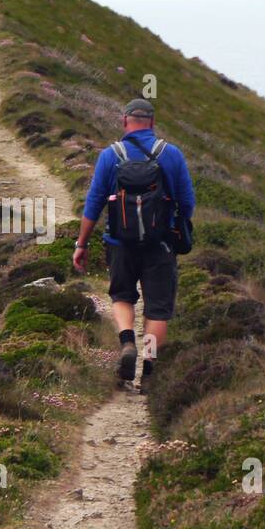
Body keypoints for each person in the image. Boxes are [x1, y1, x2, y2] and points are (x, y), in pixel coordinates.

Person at [72, 98, 195, 388]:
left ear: (124, 121)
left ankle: (128, 343)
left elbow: (94, 204)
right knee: (157, 310)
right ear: (152, 122)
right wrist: (175, 229)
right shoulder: (172, 154)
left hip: (119, 243)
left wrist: (82, 244)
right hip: (161, 245)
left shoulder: (109, 155)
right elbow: (187, 202)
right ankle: (149, 370)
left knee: (123, 297)